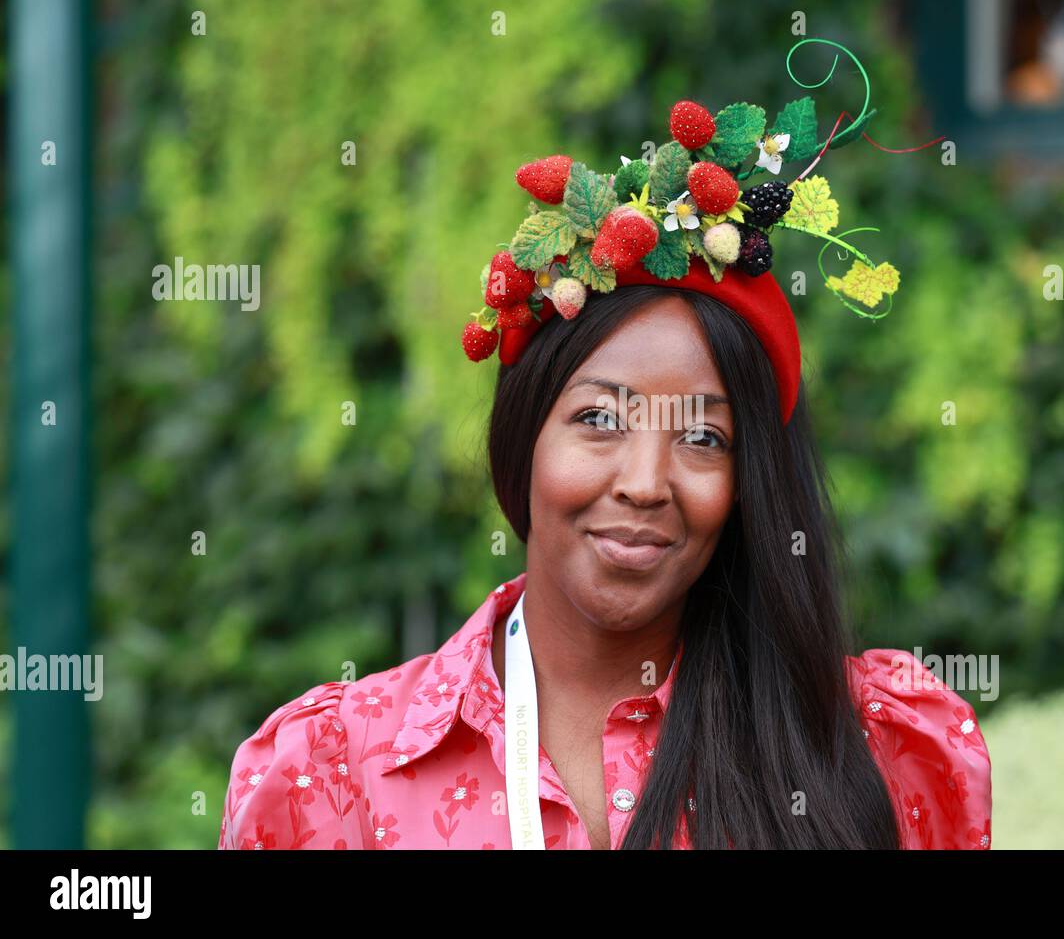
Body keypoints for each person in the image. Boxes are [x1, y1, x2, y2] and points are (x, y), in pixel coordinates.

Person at [219, 59, 992, 851]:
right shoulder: (335, 771)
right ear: (524, 439)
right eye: (599, 418)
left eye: (702, 437)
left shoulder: (874, 748)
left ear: (748, 479)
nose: (645, 483)